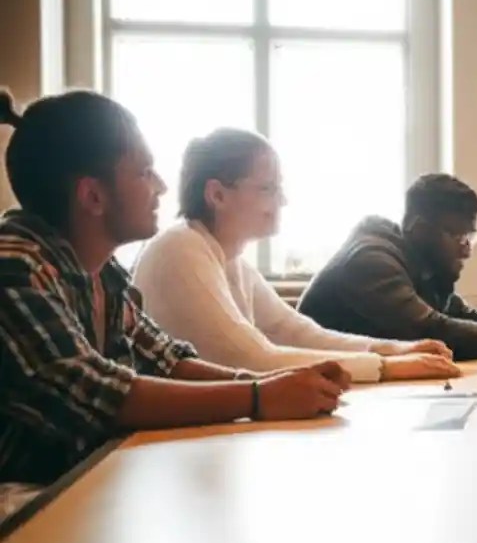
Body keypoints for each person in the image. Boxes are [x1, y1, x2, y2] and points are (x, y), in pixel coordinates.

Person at [0, 89, 350, 487]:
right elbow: (100, 396)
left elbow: (164, 359)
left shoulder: (102, 271)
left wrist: (274, 386)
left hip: (81, 487)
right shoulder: (15, 267)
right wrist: (258, 396)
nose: (162, 186)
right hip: (21, 511)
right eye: (145, 172)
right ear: (93, 195)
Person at [132, 129, 461, 383]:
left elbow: (295, 331)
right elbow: (256, 360)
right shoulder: (181, 249)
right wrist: (387, 367)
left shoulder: (229, 259)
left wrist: (397, 350)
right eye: (268, 188)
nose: (283, 200)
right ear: (217, 194)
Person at [297, 173, 477, 362]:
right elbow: (426, 330)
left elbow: (454, 311)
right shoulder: (371, 261)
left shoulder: (420, 264)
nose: (467, 250)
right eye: (458, 236)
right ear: (420, 228)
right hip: (314, 395)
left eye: (471, 237)